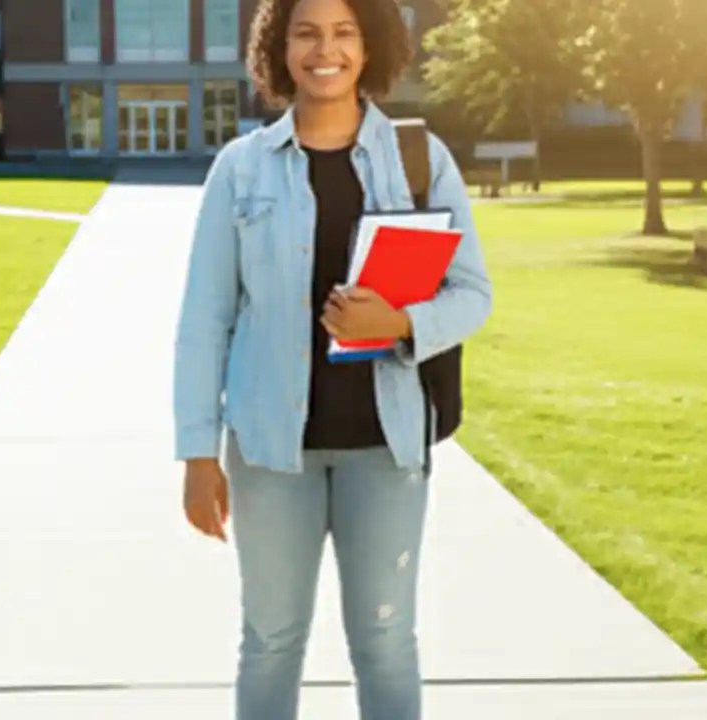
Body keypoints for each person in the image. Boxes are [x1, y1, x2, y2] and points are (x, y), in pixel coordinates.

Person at [172, 0, 493, 718]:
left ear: (370, 44)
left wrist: (404, 321)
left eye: (344, 32)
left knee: (385, 643)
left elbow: (472, 294)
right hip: (267, 452)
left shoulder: (419, 159)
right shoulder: (241, 168)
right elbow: (204, 323)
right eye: (307, 33)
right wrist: (197, 453)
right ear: (278, 49)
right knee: (269, 642)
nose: (327, 49)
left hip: (385, 449)